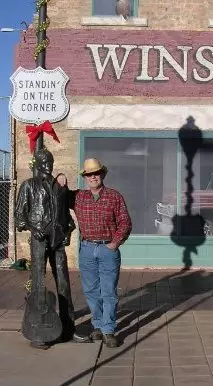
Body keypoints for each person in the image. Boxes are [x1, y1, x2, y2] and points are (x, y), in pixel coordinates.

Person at [15, 148, 92, 349]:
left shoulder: (59, 186)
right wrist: (34, 228)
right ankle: (39, 331)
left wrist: (67, 234)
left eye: (50, 160)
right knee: (39, 282)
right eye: (44, 160)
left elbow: (67, 216)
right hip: (39, 240)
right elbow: (19, 218)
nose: (48, 163)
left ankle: (68, 328)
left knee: (64, 284)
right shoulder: (28, 186)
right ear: (37, 163)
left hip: (57, 241)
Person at [57, 158, 132, 348]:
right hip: (87, 249)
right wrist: (59, 178)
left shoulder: (114, 196)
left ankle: (108, 330)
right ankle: (98, 325)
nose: (93, 177)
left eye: (96, 173)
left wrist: (114, 243)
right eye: (89, 174)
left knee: (108, 292)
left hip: (108, 249)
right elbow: (58, 195)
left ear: (102, 175)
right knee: (91, 291)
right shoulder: (78, 197)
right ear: (85, 177)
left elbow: (125, 222)